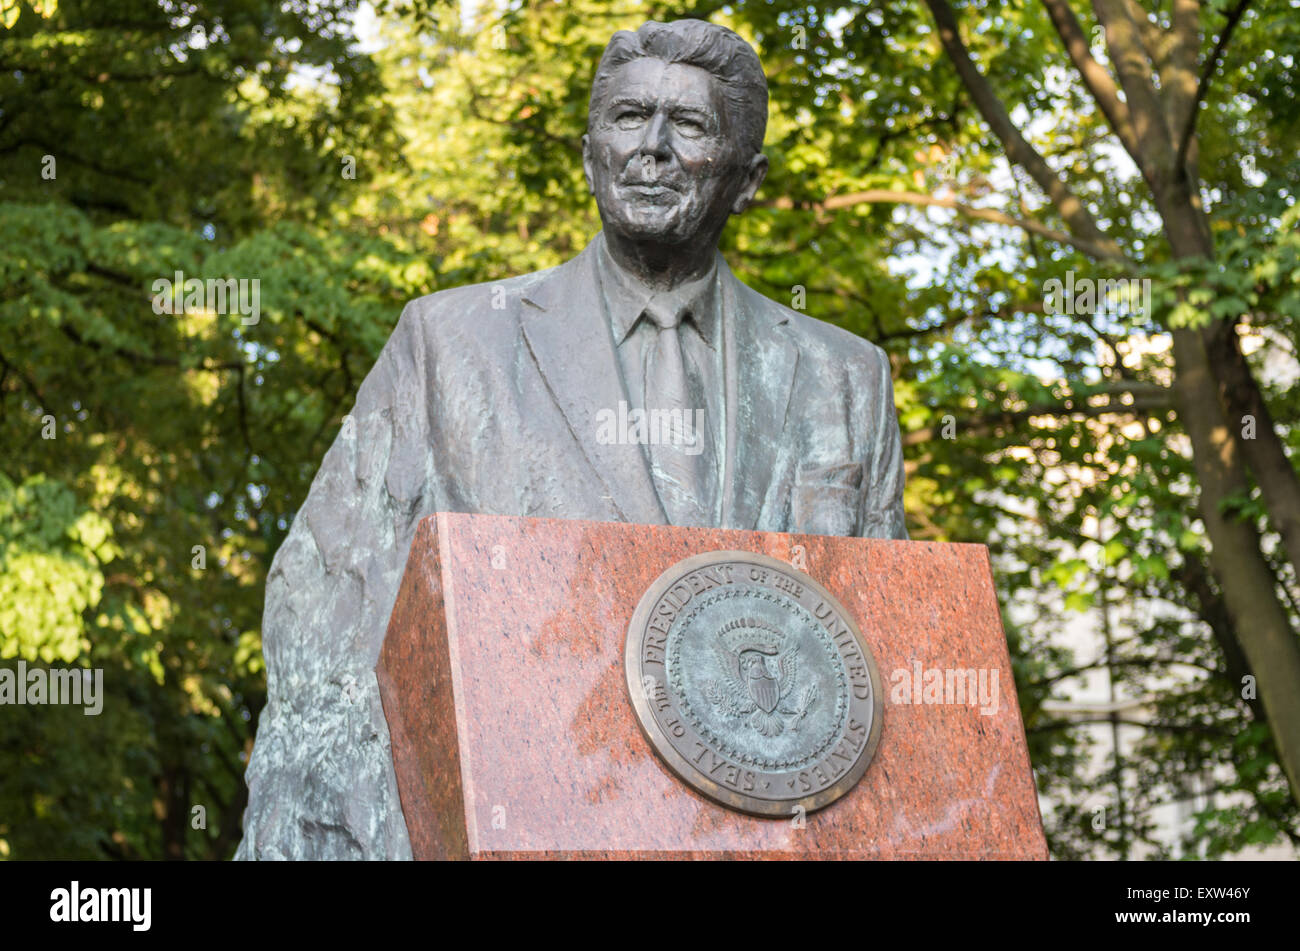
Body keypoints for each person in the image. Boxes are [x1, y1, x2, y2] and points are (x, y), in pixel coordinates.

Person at [237, 18, 906, 860]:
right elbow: (325, 603)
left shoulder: (844, 376)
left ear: (747, 179)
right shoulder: (452, 343)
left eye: (690, 125)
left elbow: (882, 660)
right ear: (590, 152)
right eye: (628, 119)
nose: (652, 149)